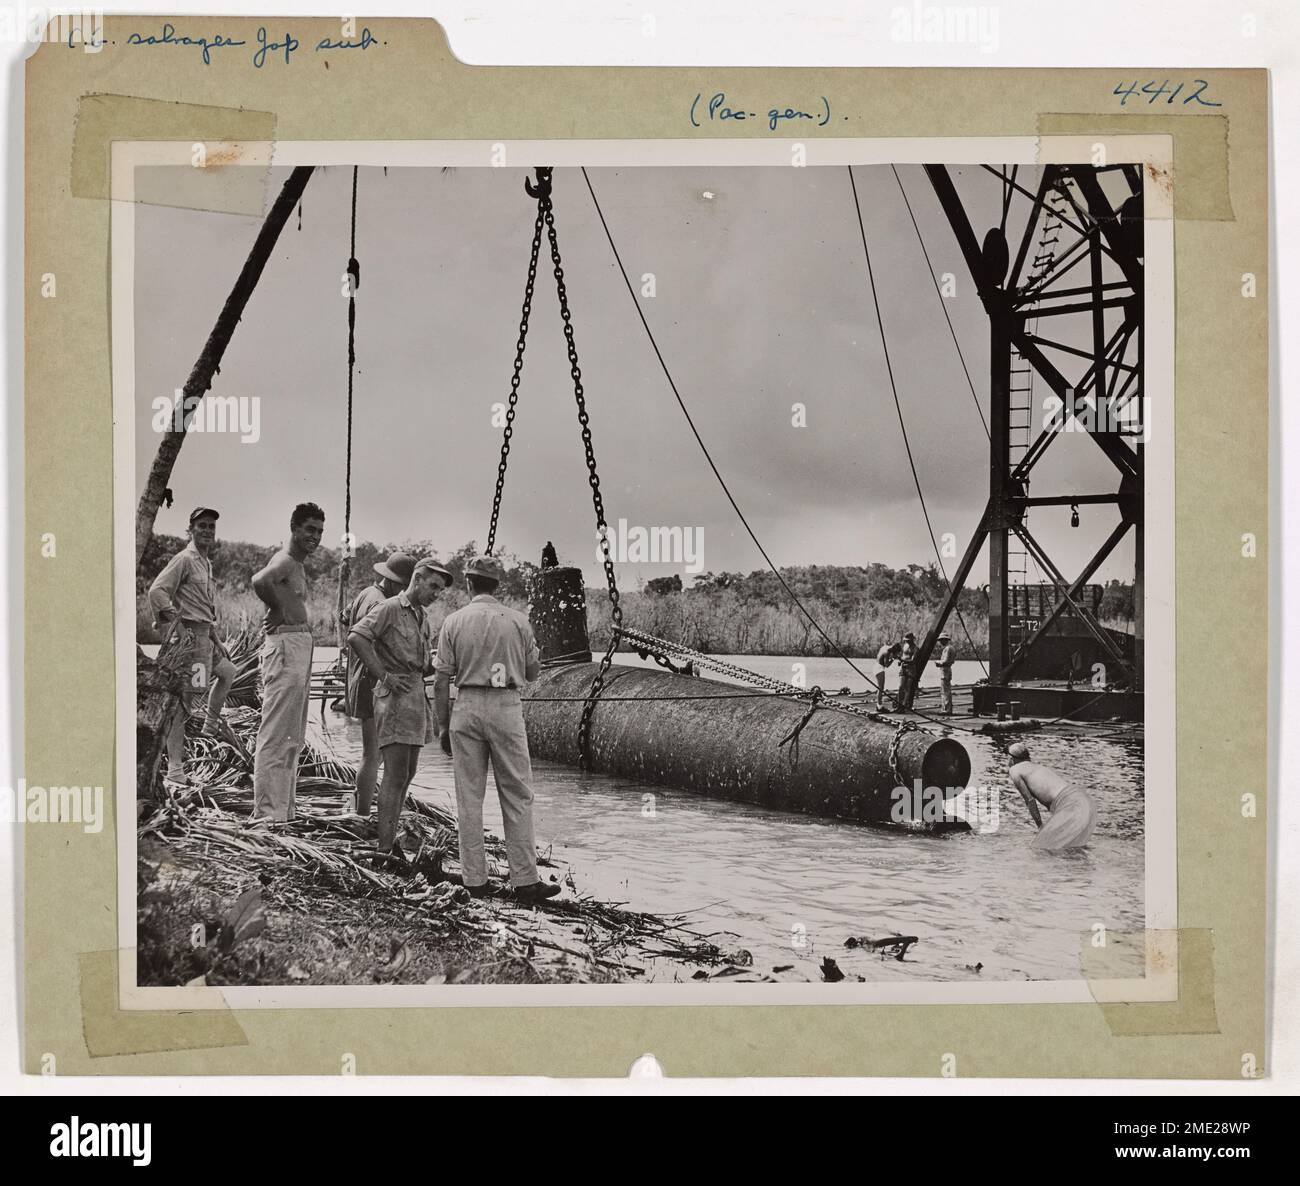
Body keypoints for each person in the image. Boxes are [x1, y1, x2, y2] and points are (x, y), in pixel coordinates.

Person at [433, 555, 560, 903]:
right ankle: (525, 881)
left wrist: (442, 726)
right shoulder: (518, 621)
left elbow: (442, 679)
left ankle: (474, 880)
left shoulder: (453, 621)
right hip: (506, 706)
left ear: (469, 584)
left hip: (467, 704)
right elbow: (534, 674)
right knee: (517, 793)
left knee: (469, 797)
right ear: (497, 586)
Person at [348, 557, 453, 855]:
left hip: (416, 698)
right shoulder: (391, 607)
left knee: (407, 773)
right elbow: (357, 636)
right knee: (394, 775)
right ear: (416, 579)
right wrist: (384, 675)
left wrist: (443, 666)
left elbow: (421, 663)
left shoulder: (422, 616)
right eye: (433, 586)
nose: (436, 593)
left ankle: (389, 839)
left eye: (440, 590)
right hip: (394, 700)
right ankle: (384, 847)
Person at [148, 506, 238, 786]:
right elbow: (157, 591)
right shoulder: (184, 559)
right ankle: (175, 769)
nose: (208, 531)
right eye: (202, 526)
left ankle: (210, 727)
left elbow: (203, 608)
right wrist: (176, 624)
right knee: (185, 705)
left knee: (228, 672)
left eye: (212, 526)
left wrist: (216, 640)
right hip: (190, 642)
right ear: (191, 529)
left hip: (204, 638)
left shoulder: (205, 563)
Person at [250, 502, 325, 822]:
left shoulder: (297, 563)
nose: (315, 537)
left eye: (320, 531)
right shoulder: (284, 559)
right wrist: (278, 610)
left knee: (292, 736)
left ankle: (283, 811)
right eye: (310, 529)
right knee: (277, 735)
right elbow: (260, 581)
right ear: (294, 528)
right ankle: (268, 814)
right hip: (285, 647)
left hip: (298, 646)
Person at [342, 552, 416, 820]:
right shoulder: (380, 603)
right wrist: (385, 675)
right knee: (372, 754)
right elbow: (362, 640)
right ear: (397, 583)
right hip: (371, 682)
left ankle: (360, 804)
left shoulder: (366, 593)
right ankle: (362, 814)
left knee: (375, 753)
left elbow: (345, 617)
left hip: (361, 679)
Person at [1007, 742, 1097, 851]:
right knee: (1068, 849)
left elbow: (1030, 801)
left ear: (1012, 759)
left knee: (1039, 848)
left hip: (1071, 804)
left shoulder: (1015, 770)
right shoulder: (1035, 767)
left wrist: (1040, 826)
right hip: (1083, 800)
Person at [874, 641, 902, 711]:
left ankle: (879, 705)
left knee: (880, 688)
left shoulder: (885, 647)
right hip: (879, 669)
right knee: (880, 688)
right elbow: (887, 665)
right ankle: (879, 706)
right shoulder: (887, 653)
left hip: (876, 666)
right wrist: (893, 659)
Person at [934, 630, 955, 715]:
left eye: (941, 640)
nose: (940, 642)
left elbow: (945, 661)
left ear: (944, 640)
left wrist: (938, 662)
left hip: (945, 670)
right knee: (947, 691)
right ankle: (947, 708)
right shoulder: (952, 648)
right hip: (948, 670)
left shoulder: (947, 649)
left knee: (945, 691)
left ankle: (946, 710)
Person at [897, 631, 918, 709]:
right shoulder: (905, 646)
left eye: (908, 640)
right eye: (906, 640)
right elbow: (903, 656)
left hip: (911, 670)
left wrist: (902, 660)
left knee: (907, 688)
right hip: (903, 668)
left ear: (912, 640)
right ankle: (899, 703)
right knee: (900, 686)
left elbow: (913, 661)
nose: (907, 641)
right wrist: (900, 661)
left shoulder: (915, 649)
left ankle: (904, 704)